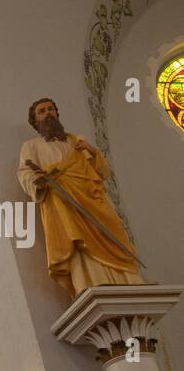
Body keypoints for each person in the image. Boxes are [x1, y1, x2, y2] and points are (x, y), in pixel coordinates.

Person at [17, 98, 143, 299]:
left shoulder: (76, 141)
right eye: (42, 111)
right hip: (63, 202)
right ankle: (90, 281)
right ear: (35, 121)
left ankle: (126, 279)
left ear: (57, 114)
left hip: (92, 200)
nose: (48, 113)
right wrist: (38, 180)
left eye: (51, 109)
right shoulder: (31, 146)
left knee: (110, 230)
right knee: (76, 240)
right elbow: (25, 173)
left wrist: (93, 151)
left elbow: (103, 173)